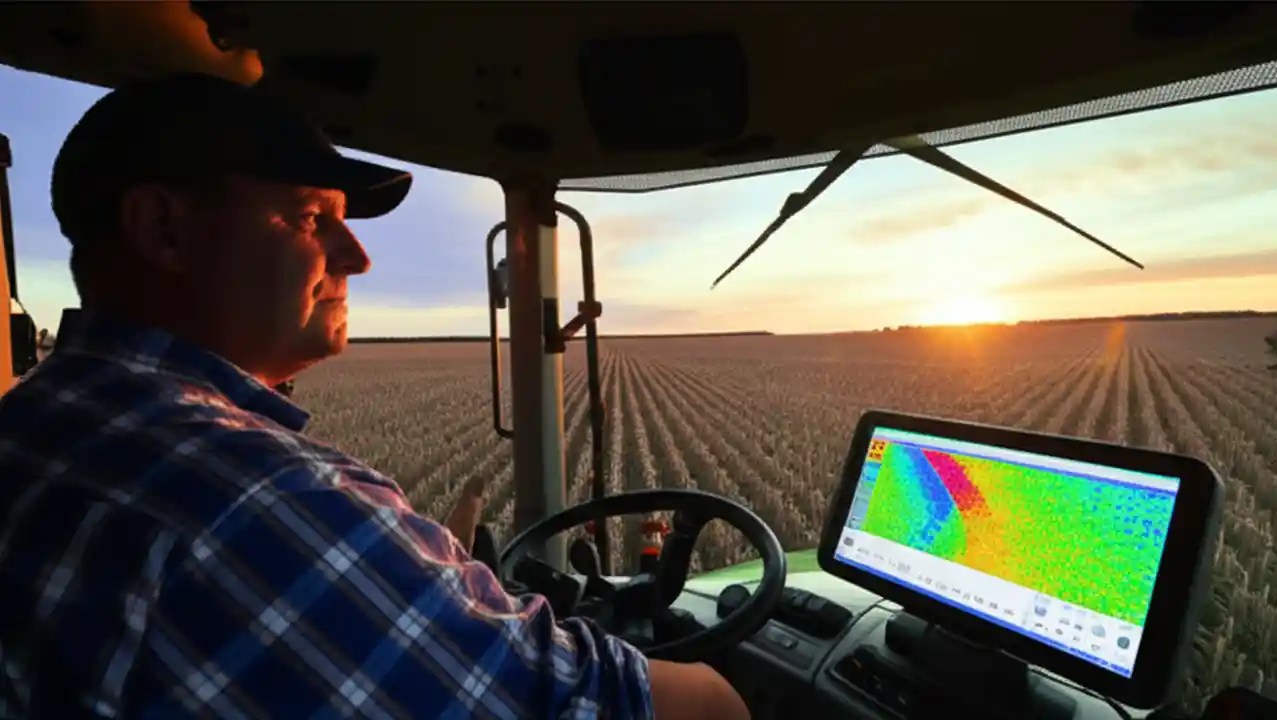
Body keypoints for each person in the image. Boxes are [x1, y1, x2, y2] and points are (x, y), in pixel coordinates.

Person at [0, 73, 749, 719]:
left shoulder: (37, 421)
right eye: (310, 218)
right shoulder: (257, 499)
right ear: (163, 228)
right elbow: (680, 709)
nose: (356, 255)